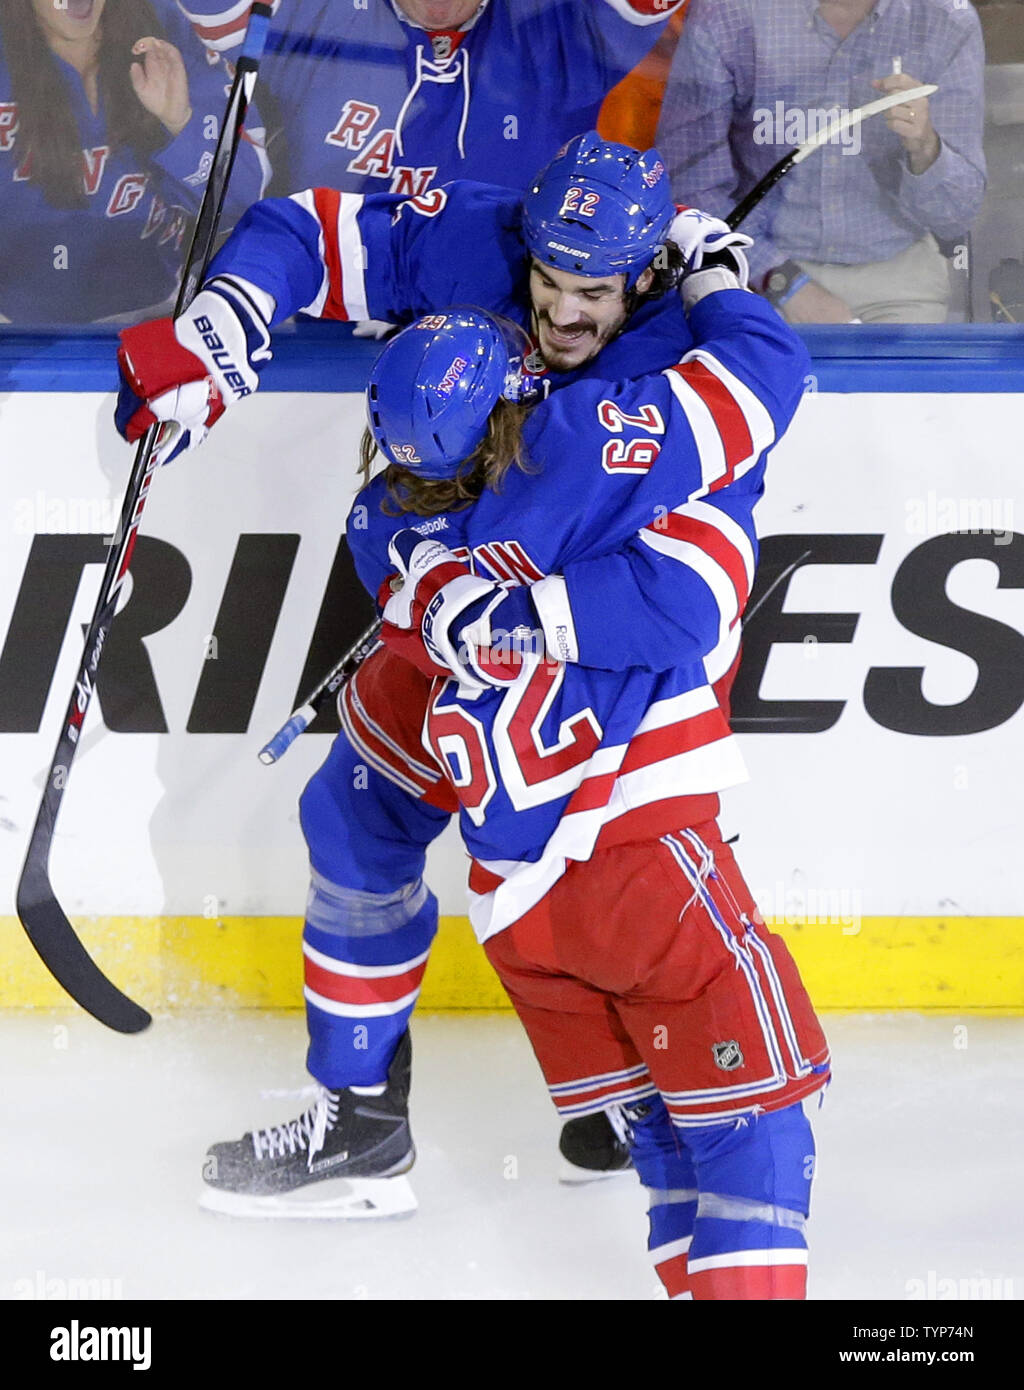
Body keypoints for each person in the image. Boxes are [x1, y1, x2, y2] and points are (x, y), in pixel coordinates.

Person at [113, 134, 766, 1192]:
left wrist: (519, 615)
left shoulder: (689, 352)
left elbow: (698, 584)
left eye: (590, 289)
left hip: (602, 650)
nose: (558, 314)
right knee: (355, 812)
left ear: (646, 269)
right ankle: (361, 1118)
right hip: (450, 603)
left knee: (599, 871)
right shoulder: (482, 240)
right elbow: (303, 231)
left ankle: (635, 1090)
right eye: (546, 281)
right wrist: (225, 323)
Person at [204, 271, 827, 1297]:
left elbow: (445, 563)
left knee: (670, 1144)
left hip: (520, 906)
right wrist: (712, 273)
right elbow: (715, 541)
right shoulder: (585, 461)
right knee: (755, 1148)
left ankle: (359, 1105)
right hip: (640, 865)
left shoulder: (396, 549)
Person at [655, 0, 986, 324]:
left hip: (899, 276)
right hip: (756, 270)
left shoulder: (946, 20)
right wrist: (782, 280)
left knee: (899, 378)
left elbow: (955, 216)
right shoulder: (728, 14)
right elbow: (690, 185)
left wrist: (925, 146)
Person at [177, 0, 686, 197]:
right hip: (320, 338)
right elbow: (215, 10)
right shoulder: (319, 12)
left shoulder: (551, 25)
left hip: (504, 337)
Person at [0, 0, 269, 324]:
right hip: (18, 340)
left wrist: (180, 122)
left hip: (159, 321)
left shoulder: (165, 28)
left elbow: (242, 200)